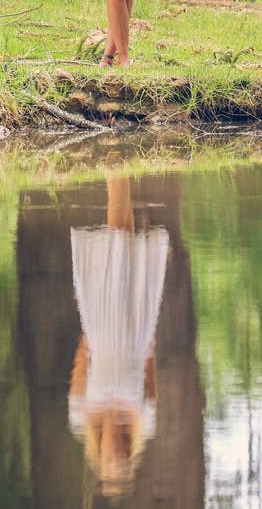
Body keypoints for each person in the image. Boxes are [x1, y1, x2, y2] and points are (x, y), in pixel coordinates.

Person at [68, 175, 169, 499]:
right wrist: (147, 333)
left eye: (113, 459)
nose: (118, 453)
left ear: (101, 453)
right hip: (137, 335)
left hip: (101, 331)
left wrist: (88, 333)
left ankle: (117, 175)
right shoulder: (146, 421)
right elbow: (151, 369)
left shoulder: (81, 417)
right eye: (123, 458)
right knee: (126, 247)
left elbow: (79, 369)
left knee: (118, 244)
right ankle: (119, 175)